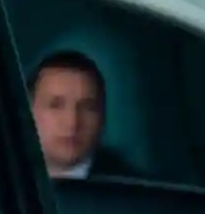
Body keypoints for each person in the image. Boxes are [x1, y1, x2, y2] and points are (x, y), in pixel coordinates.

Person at [28, 49, 136, 180]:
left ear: (102, 118)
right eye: (55, 105)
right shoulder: (3, 176)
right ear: (28, 112)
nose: (72, 122)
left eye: (88, 107)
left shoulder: (133, 190)